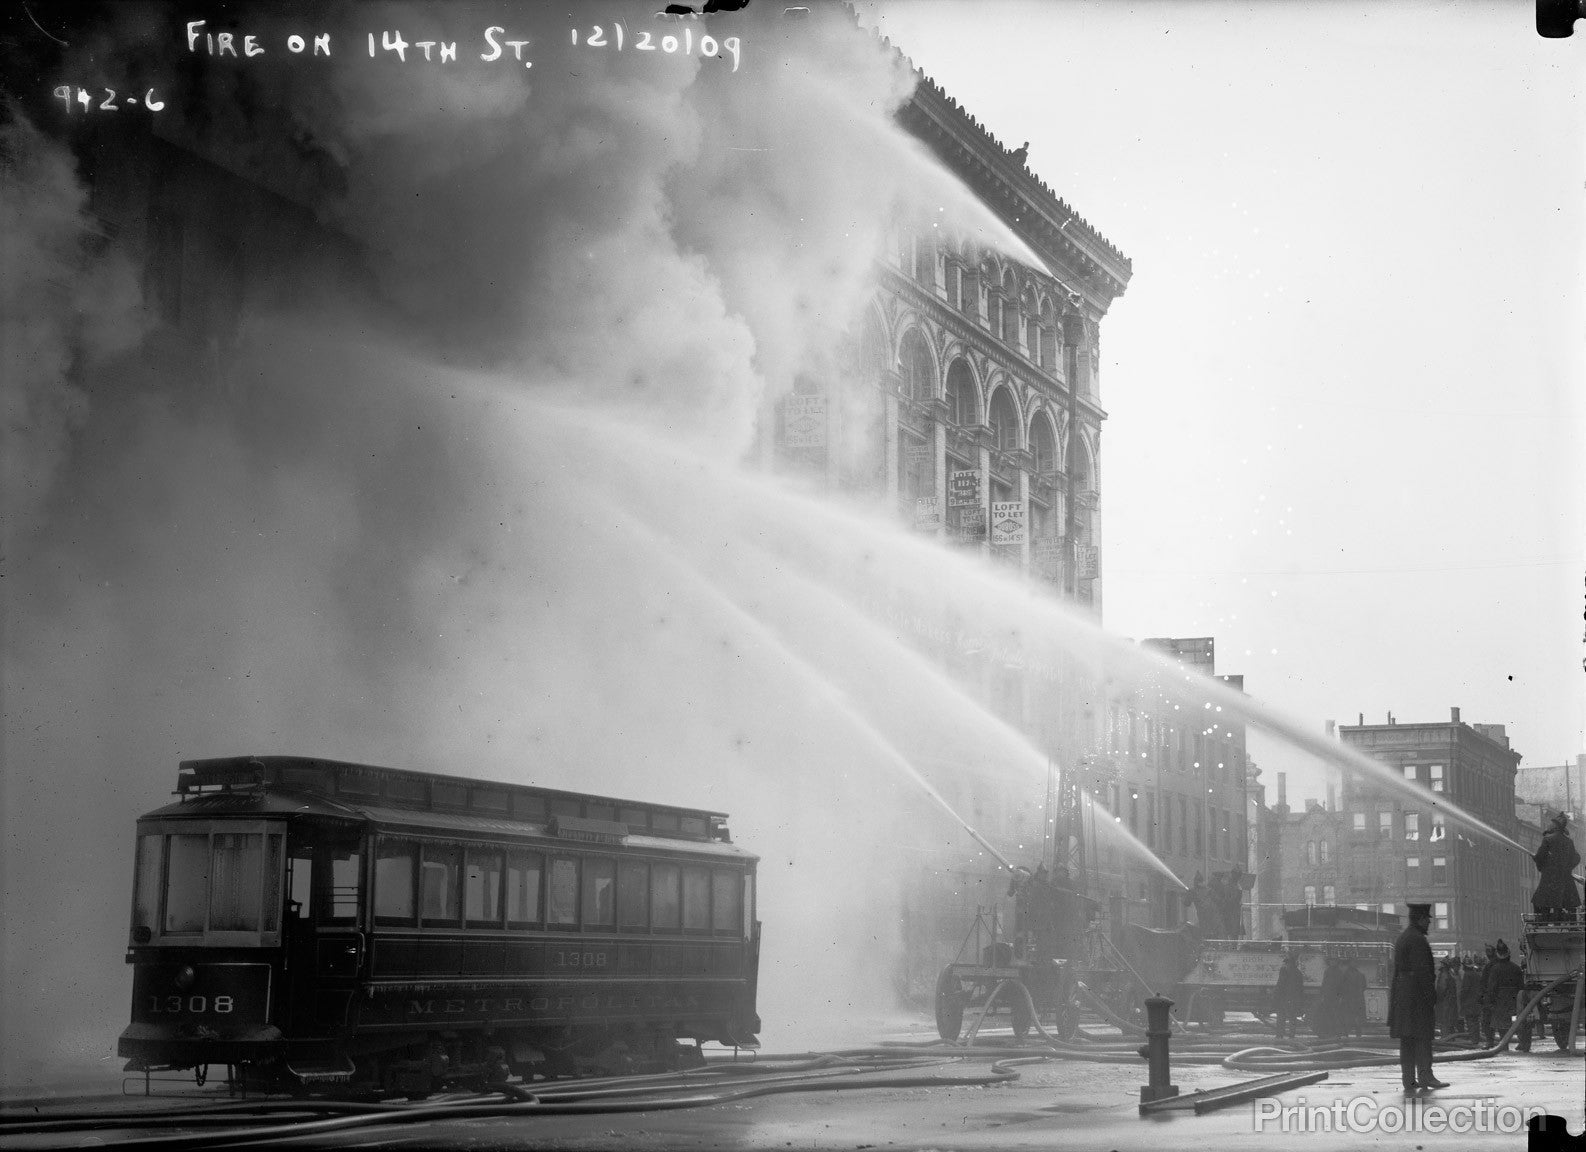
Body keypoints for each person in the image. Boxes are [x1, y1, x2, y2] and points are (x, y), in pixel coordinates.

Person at [1388, 903, 1447, 1092]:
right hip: (1417, 998)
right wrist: (1432, 997)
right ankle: (1425, 1076)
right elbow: (1424, 973)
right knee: (1423, 1037)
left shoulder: (1403, 938)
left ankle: (1408, 1080)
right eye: (1427, 920)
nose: (1429, 923)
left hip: (1403, 997)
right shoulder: (1418, 940)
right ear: (1421, 919)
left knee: (1407, 1040)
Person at [1532, 812, 1583, 920]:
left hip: (1549, 880)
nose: (1549, 825)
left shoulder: (1548, 839)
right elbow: (1576, 858)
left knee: (1540, 902)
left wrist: (1538, 861)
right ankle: (1563, 924)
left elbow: (1540, 857)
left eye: (1552, 823)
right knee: (1566, 904)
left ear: (1555, 826)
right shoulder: (1568, 841)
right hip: (1565, 880)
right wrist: (1568, 868)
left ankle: (1543, 923)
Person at [1485, 940, 1524, 1050]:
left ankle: (1504, 1045)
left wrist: (1490, 1002)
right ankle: (1522, 1042)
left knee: (1502, 1024)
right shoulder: (1516, 968)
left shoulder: (1495, 969)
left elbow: (1491, 987)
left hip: (1500, 1001)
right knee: (1517, 1021)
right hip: (1515, 999)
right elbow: (1522, 986)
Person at [1309, 955, 1344, 1040]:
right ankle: (1330, 1032)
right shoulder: (1329, 971)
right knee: (1328, 1015)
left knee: (1333, 1015)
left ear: (1337, 962)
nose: (1332, 962)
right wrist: (1323, 995)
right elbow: (1324, 984)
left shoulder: (1337, 972)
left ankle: (1333, 1033)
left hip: (1334, 997)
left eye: (1334, 961)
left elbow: (1340, 986)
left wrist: (1340, 996)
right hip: (1329, 996)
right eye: (1331, 961)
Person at [1273, 952, 1305, 1040]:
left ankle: (1290, 1035)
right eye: (1286, 963)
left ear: (1292, 964)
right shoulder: (1284, 972)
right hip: (1284, 999)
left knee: (1290, 1018)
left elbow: (1299, 990)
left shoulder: (1297, 974)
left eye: (1288, 963)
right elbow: (1279, 986)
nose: (1287, 965)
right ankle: (1280, 1035)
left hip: (1291, 999)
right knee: (1282, 1018)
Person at [1340, 955, 1369, 1038]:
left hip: (1351, 998)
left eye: (1355, 962)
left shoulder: (1345, 974)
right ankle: (1356, 1033)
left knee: (1349, 1017)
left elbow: (1341, 986)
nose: (1354, 963)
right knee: (1354, 1017)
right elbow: (1364, 986)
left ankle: (1348, 1033)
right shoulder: (1360, 975)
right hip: (1355, 998)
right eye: (1353, 962)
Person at [1457, 956, 1483, 1043]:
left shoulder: (1467, 975)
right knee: (1475, 1022)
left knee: (1470, 1022)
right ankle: (1476, 1039)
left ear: (1465, 966)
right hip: (1477, 1003)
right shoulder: (1476, 974)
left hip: (1469, 1003)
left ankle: (1473, 1039)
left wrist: (1461, 999)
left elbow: (1465, 990)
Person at [1478, 943, 1499, 1045]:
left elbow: (1484, 983)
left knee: (1487, 1021)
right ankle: (1504, 1044)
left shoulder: (1489, 966)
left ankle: (1490, 1041)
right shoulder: (1498, 965)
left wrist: (1481, 996)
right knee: (1503, 1021)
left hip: (1490, 998)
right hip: (1500, 998)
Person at [1435, 957, 1460, 1038]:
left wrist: (1436, 999)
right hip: (1449, 1002)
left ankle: (1445, 1038)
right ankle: (1450, 1038)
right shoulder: (1448, 975)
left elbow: (1441, 989)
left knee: (1444, 1021)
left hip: (1445, 1003)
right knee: (1449, 1021)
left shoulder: (1444, 975)